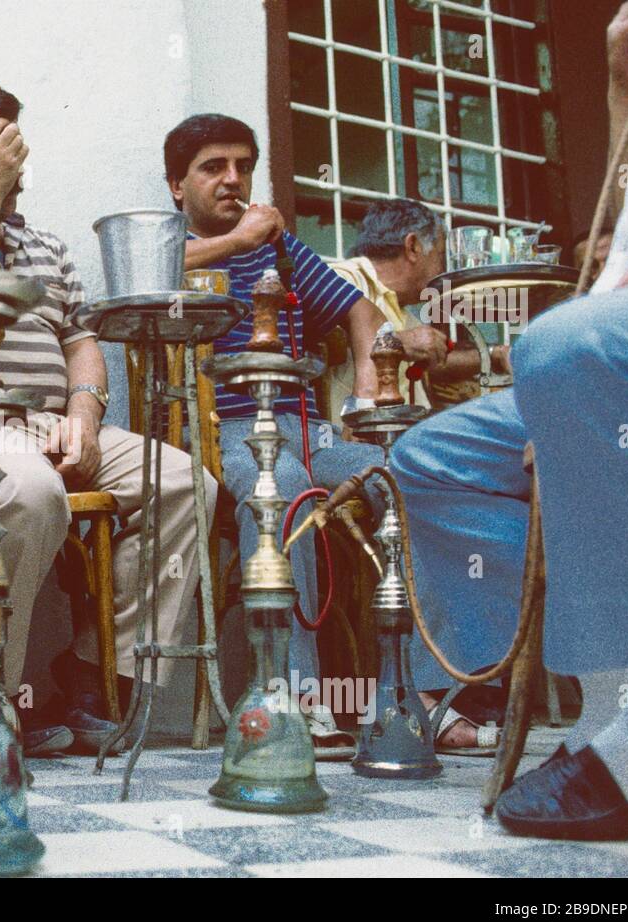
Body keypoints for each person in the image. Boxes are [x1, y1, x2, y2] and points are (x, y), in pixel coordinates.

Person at [390, 0, 628, 838]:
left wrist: (575, 372)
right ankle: (601, 685)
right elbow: (624, 250)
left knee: (562, 350)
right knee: (430, 455)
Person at [0, 72, 218, 756]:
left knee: (187, 481)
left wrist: (85, 415)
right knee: (29, 488)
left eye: (10, 141)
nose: (10, 155)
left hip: (50, 422)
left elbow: (79, 339)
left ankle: (95, 676)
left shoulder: (48, 245)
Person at [164, 113, 447, 709]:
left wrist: (365, 390)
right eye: (212, 167)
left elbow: (359, 310)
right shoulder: (170, 248)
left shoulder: (280, 248)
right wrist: (241, 241)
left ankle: (420, 695)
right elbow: (150, 280)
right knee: (283, 488)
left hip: (310, 432)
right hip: (224, 434)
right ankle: (295, 701)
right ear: (177, 186)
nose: (232, 179)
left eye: (243, 166)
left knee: (403, 477)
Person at [330, 199, 511, 422]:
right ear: (413, 246)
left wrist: (495, 354)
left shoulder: (403, 314)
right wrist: (400, 342)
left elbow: (438, 361)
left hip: (401, 440)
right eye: (441, 256)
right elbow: (314, 338)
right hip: (345, 446)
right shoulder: (343, 279)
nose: (443, 268)